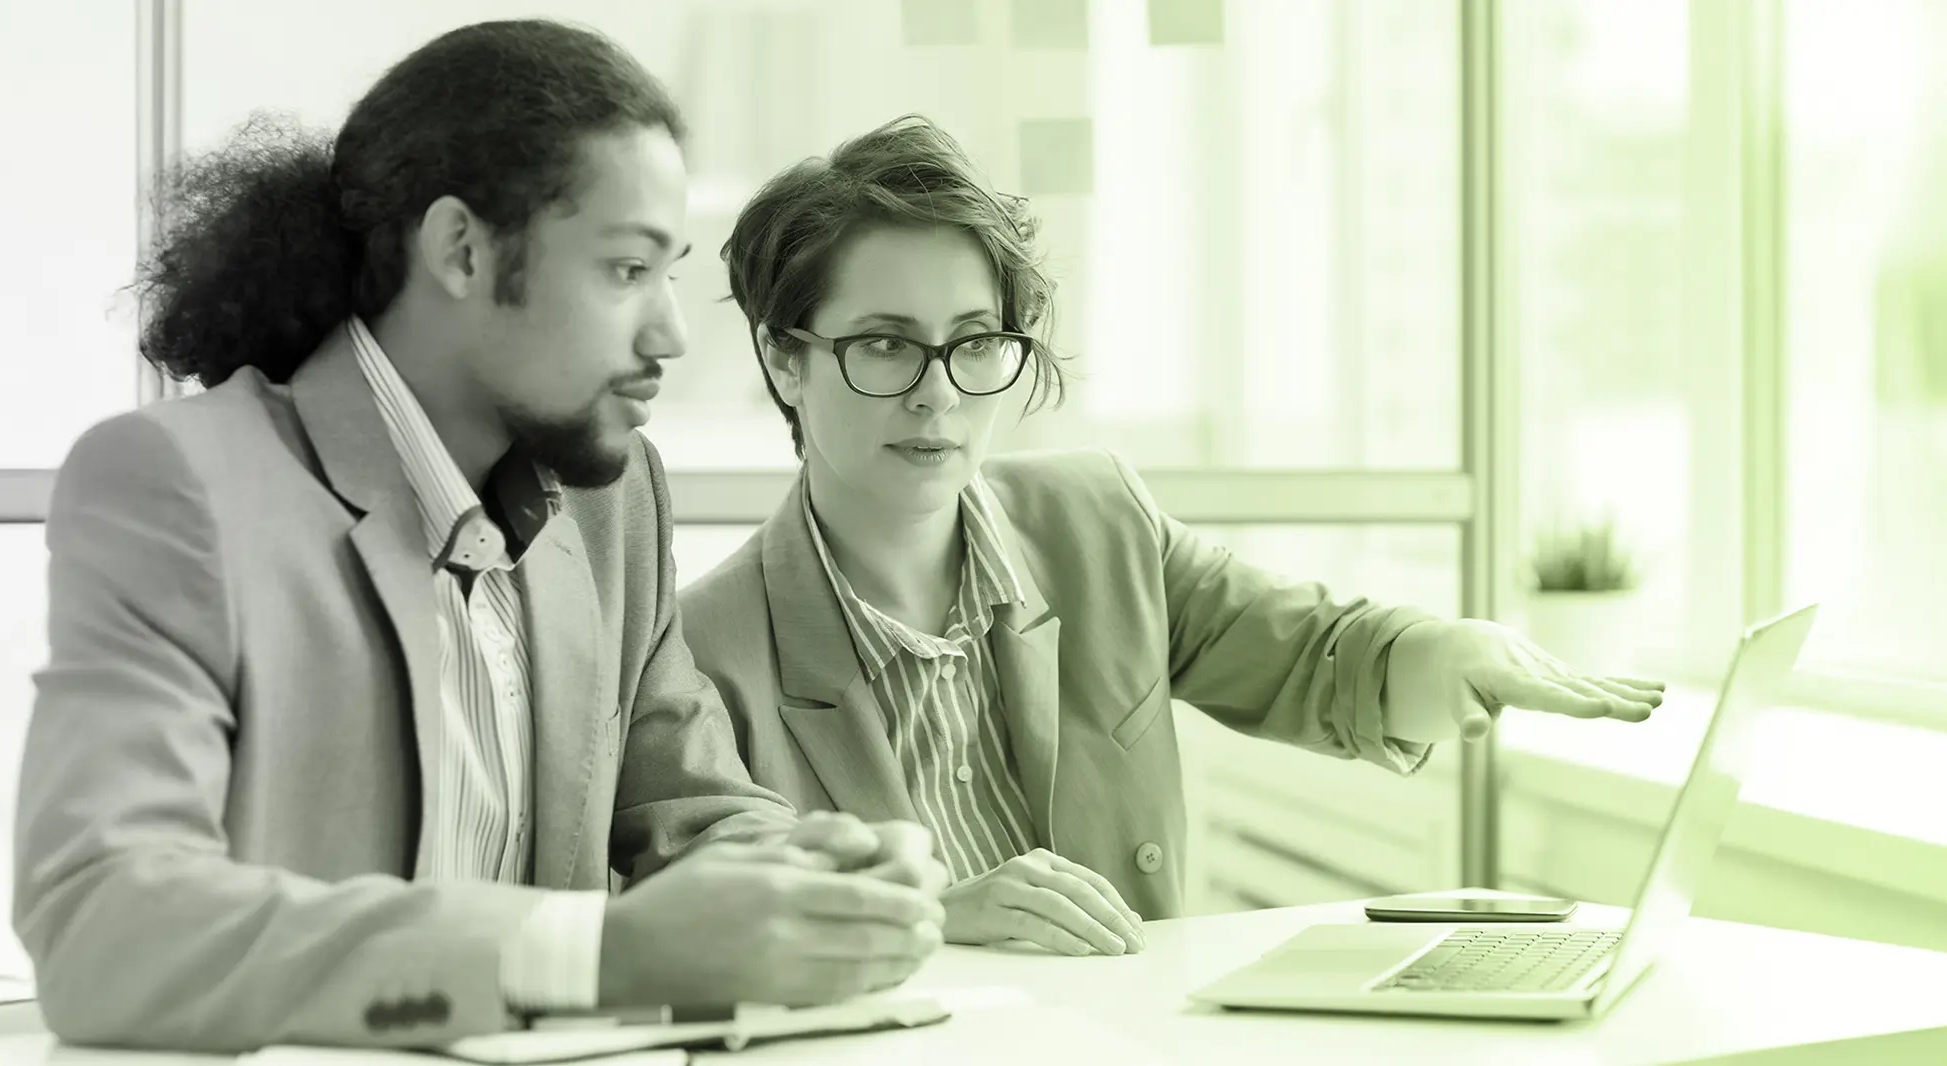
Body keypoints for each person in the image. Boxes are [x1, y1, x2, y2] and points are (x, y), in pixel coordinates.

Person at [12, 21, 946, 1055]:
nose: (672, 334)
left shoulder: (612, 496)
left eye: (669, 273)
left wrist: (820, 882)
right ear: (460, 249)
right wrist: (596, 952)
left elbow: (694, 810)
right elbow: (105, 930)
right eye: (627, 270)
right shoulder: (180, 486)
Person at [677, 115, 1665, 959]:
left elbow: (1315, 656)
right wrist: (934, 913)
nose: (938, 391)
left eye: (976, 342)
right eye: (885, 343)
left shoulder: (1095, 522)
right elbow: (725, 900)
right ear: (785, 358)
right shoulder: (704, 648)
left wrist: (1453, 652)